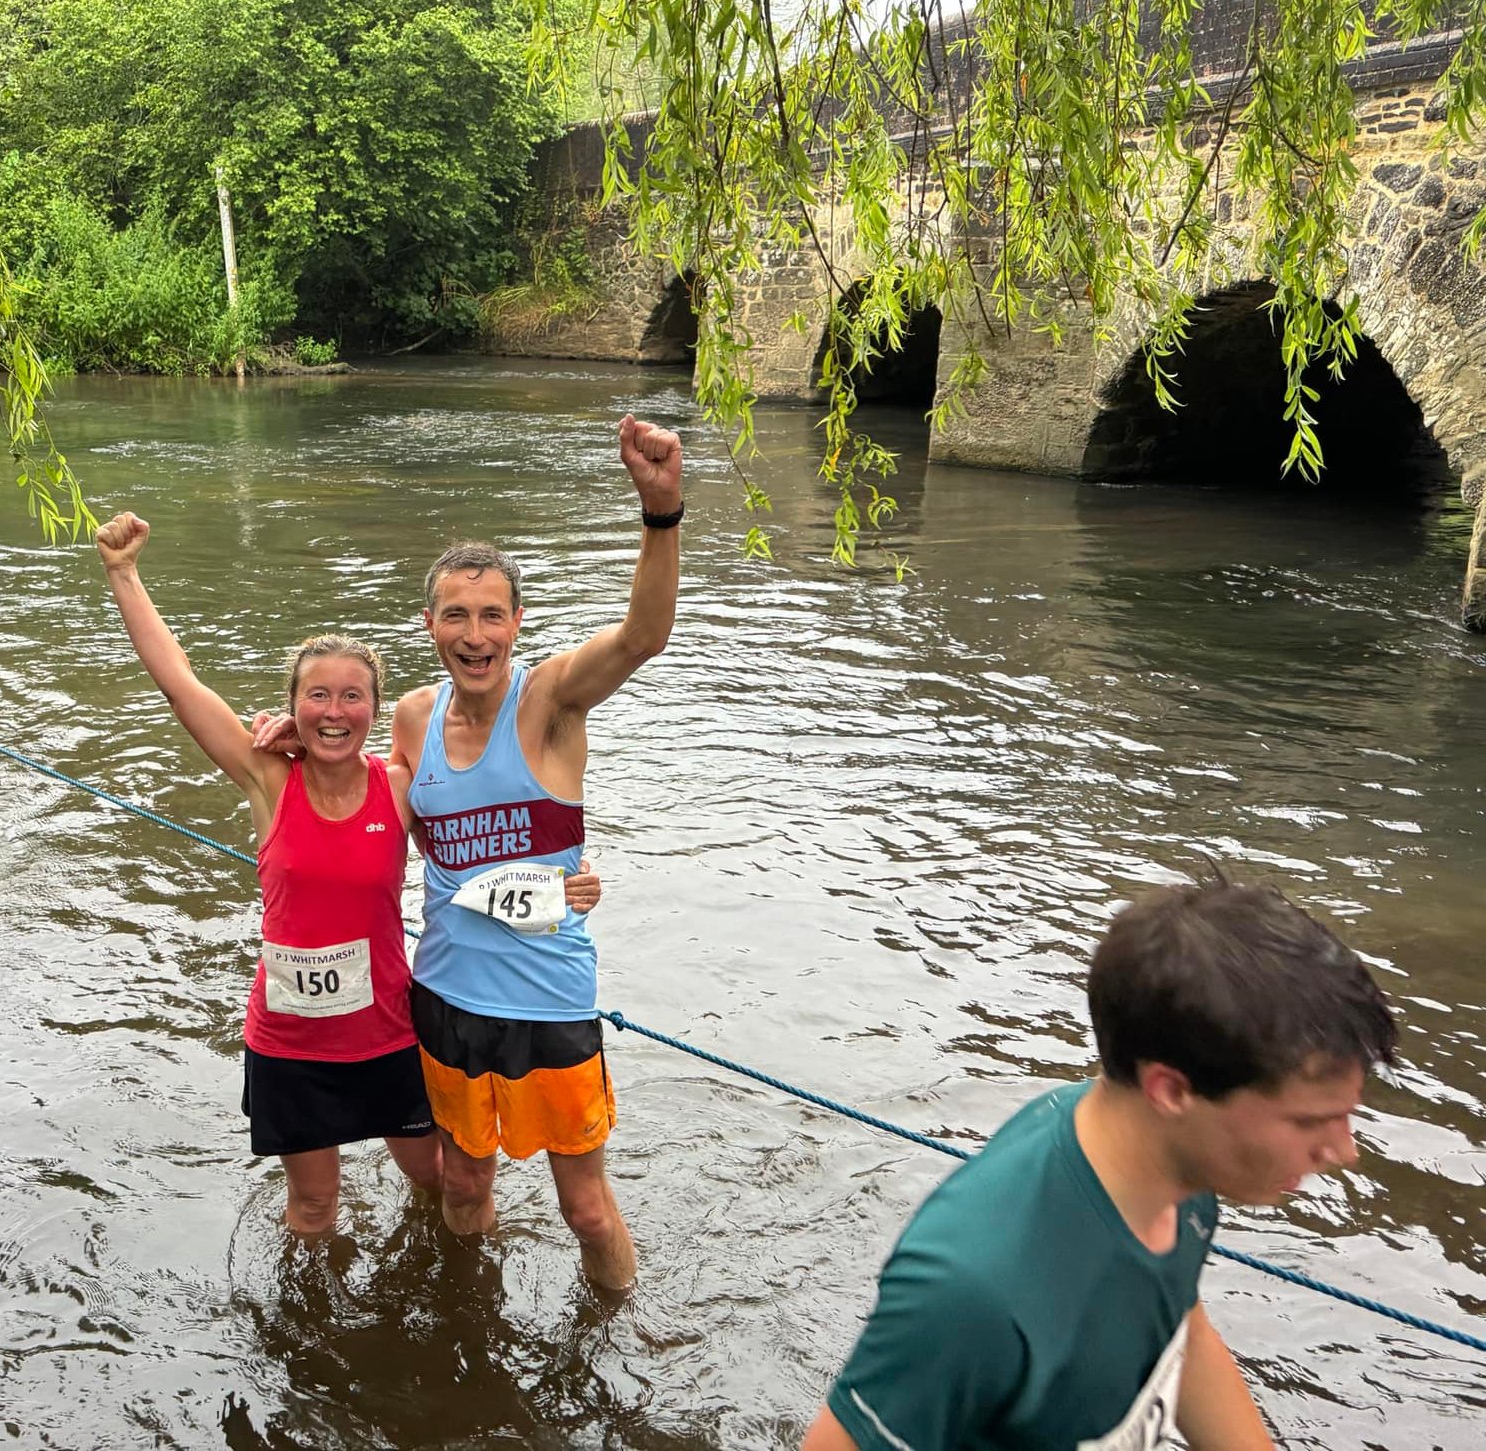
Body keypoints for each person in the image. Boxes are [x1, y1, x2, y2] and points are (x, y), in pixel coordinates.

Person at [93, 509, 603, 1237]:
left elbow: (477, 850)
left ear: (374, 711)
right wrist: (123, 573)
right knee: (311, 1209)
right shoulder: (267, 777)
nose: (335, 711)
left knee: (440, 1181)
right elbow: (180, 684)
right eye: (318, 696)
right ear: (294, 708)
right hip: (290, 1039)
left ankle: (452, 1289)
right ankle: (310, 1337)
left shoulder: (398, 786)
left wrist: (563, 886)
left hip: (390, 1030)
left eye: (351, 696)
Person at [798, 877, 1398, 1451]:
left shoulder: (1179, 1167)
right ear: (1171, 1092)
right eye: (1309, 1122)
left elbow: (1177, 1323)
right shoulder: (971, 1295)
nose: (1342, 1151)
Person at [377, 412, 683, 1291]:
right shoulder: (409, 719)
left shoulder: (550, 700)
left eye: (491, 616)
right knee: (465, 1183)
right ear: (430, 622)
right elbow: (363, 799)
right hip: (443, 994)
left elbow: (641, 638)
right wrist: (297, 735)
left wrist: (660, 514)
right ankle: (468, 1312)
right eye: (456, 616)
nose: (475, 635)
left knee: (584, 1207)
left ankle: (619, 1320)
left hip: (549, 1001)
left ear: (517, 622)